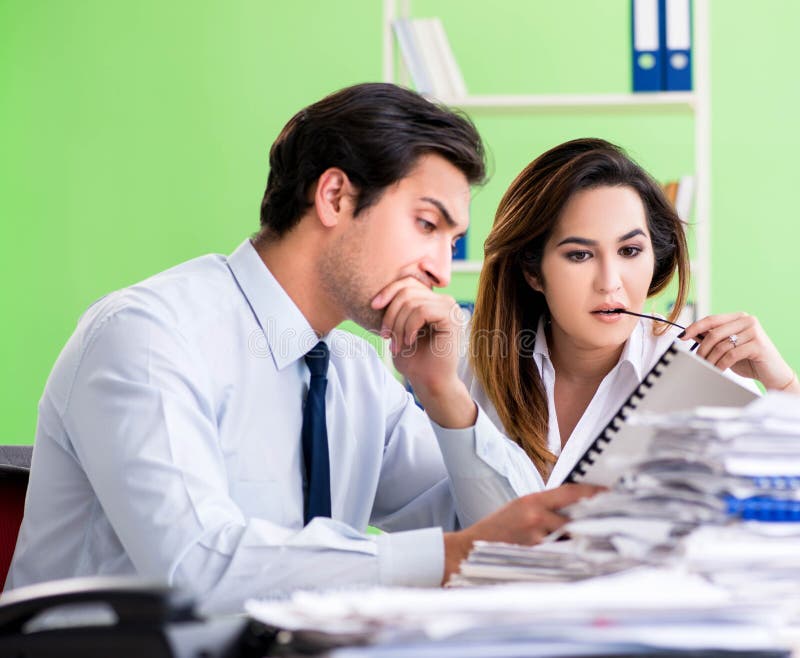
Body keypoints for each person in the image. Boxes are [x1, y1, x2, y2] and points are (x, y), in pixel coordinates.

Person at [6, 84, 598, 612]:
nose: (441, 272)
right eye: (426, 225)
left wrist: (443, 394)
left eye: (453, 241)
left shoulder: (357, 374)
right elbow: (196, 568)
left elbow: (518, 541)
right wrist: (446, 557)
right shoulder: (148, 335)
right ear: (335, 196)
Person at [431, 137, 800, 521]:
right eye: (579, 255)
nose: (610, 283)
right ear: (533, 272)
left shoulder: (702, 366)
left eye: (629, 251)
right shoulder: (469, 369)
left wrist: (785, 385)